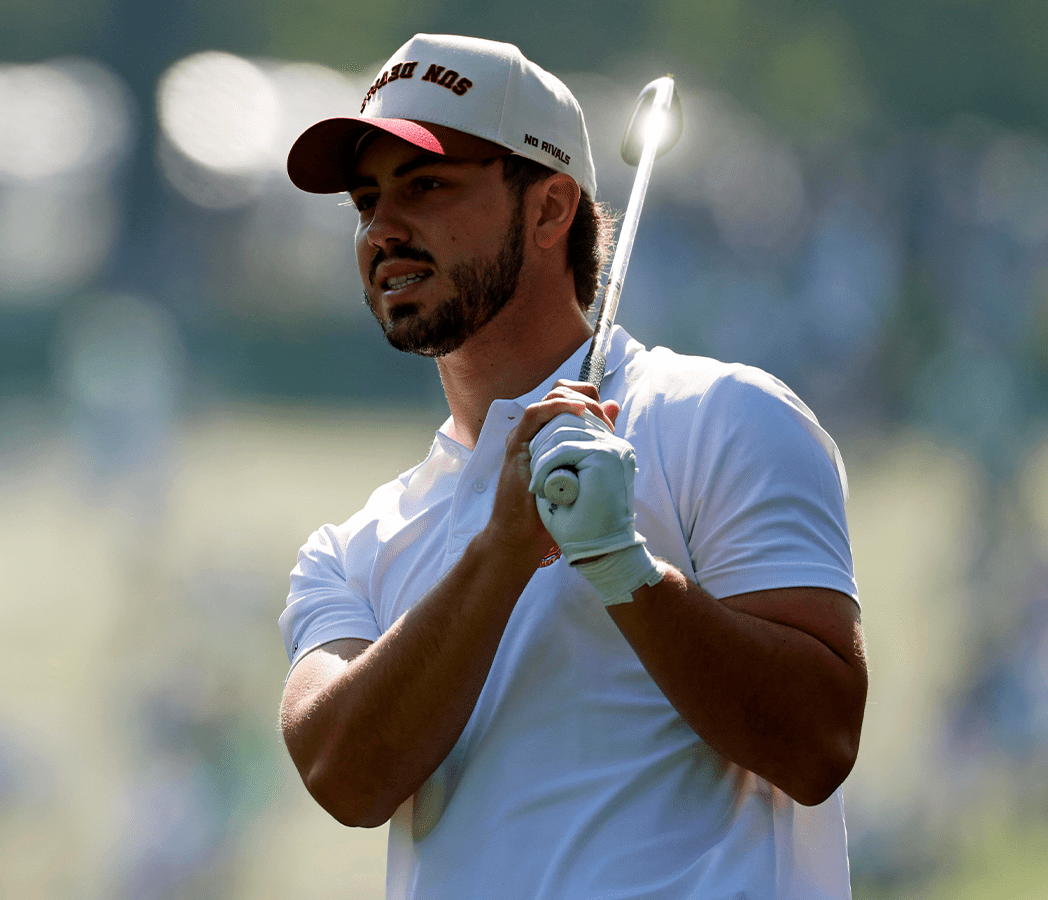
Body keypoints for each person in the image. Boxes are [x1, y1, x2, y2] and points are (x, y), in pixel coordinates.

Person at [278, 33, 866, 900]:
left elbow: (818, 744)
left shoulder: (727, 417)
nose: (383, 230)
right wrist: (502, 554)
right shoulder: (350, 550)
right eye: (367, 202)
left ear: (551, 210)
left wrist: (623, 567)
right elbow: (344, 776)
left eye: (426, 186)